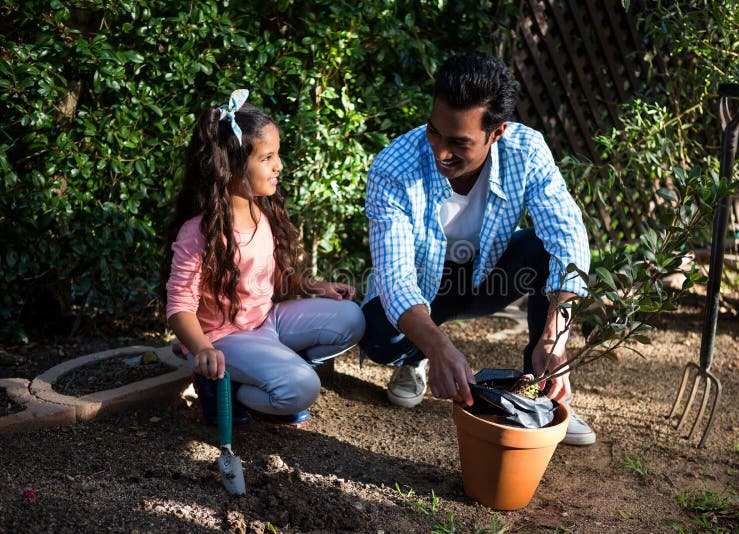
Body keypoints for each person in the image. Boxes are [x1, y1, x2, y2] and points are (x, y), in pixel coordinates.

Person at [359, 51, 595, 445]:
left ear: (497, 132)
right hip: (421, 286)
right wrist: (437, 347)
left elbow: (569, 242)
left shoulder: (527, 151)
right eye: (434, 131)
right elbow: (395, 278)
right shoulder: (392, 169)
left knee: (543, 249)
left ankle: (539, 392)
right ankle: (415, 358)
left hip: (485, 277)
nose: (439, 152)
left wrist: (554, 338)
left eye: (459, 143)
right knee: (378, 338)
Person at [164, 89, 365, 427]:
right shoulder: (198, 232)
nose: (279, 166)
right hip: (224, 338)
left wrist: (312, 286)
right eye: (268, 157)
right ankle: (224, 390)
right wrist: (201, 350)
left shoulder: (261, 211)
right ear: (232, 166)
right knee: (302, 388)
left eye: (277, 155)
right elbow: (179, 308)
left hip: (267, 321)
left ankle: (275, 373)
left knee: (351, 318)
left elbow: (266, 278)